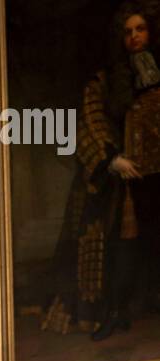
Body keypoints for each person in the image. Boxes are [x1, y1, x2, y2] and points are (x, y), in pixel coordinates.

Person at [42, 3, 160, 342]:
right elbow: (91, 120)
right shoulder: (107, 79)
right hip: (125, 177)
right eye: (128, 31)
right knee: (121, 248)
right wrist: (113, 159)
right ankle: (114, 312)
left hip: (158, 175)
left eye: (141, 29)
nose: (135, 37)